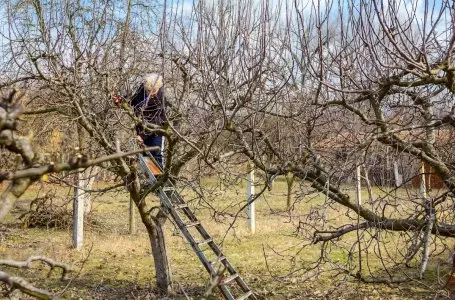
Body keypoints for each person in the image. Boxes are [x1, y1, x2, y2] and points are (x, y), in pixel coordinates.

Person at [130, 73, 167, 169]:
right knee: (145, 156)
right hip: (142, 129)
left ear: (159, 88)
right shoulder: (141, 91)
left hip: (156, 132)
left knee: (156, 156)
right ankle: (151, 182)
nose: (151, 93)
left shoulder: (160, 99)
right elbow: (132, 100)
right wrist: (121, 100)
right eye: (149, 91)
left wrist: (142, 136)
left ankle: (160, 181)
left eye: (154, 91)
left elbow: (155, 121)